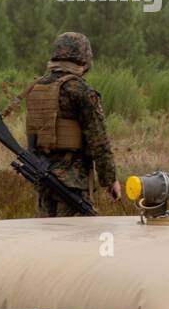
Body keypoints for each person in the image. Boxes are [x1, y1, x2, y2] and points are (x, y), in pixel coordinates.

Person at [22, 32, 120, 216]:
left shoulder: (37, 87)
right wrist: (109, 180)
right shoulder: (81, 91)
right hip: (71, 182)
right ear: (84, 58)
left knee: (45, 238)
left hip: (43, 177)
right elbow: (98, 141)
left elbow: (33, 135)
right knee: (73, 239)